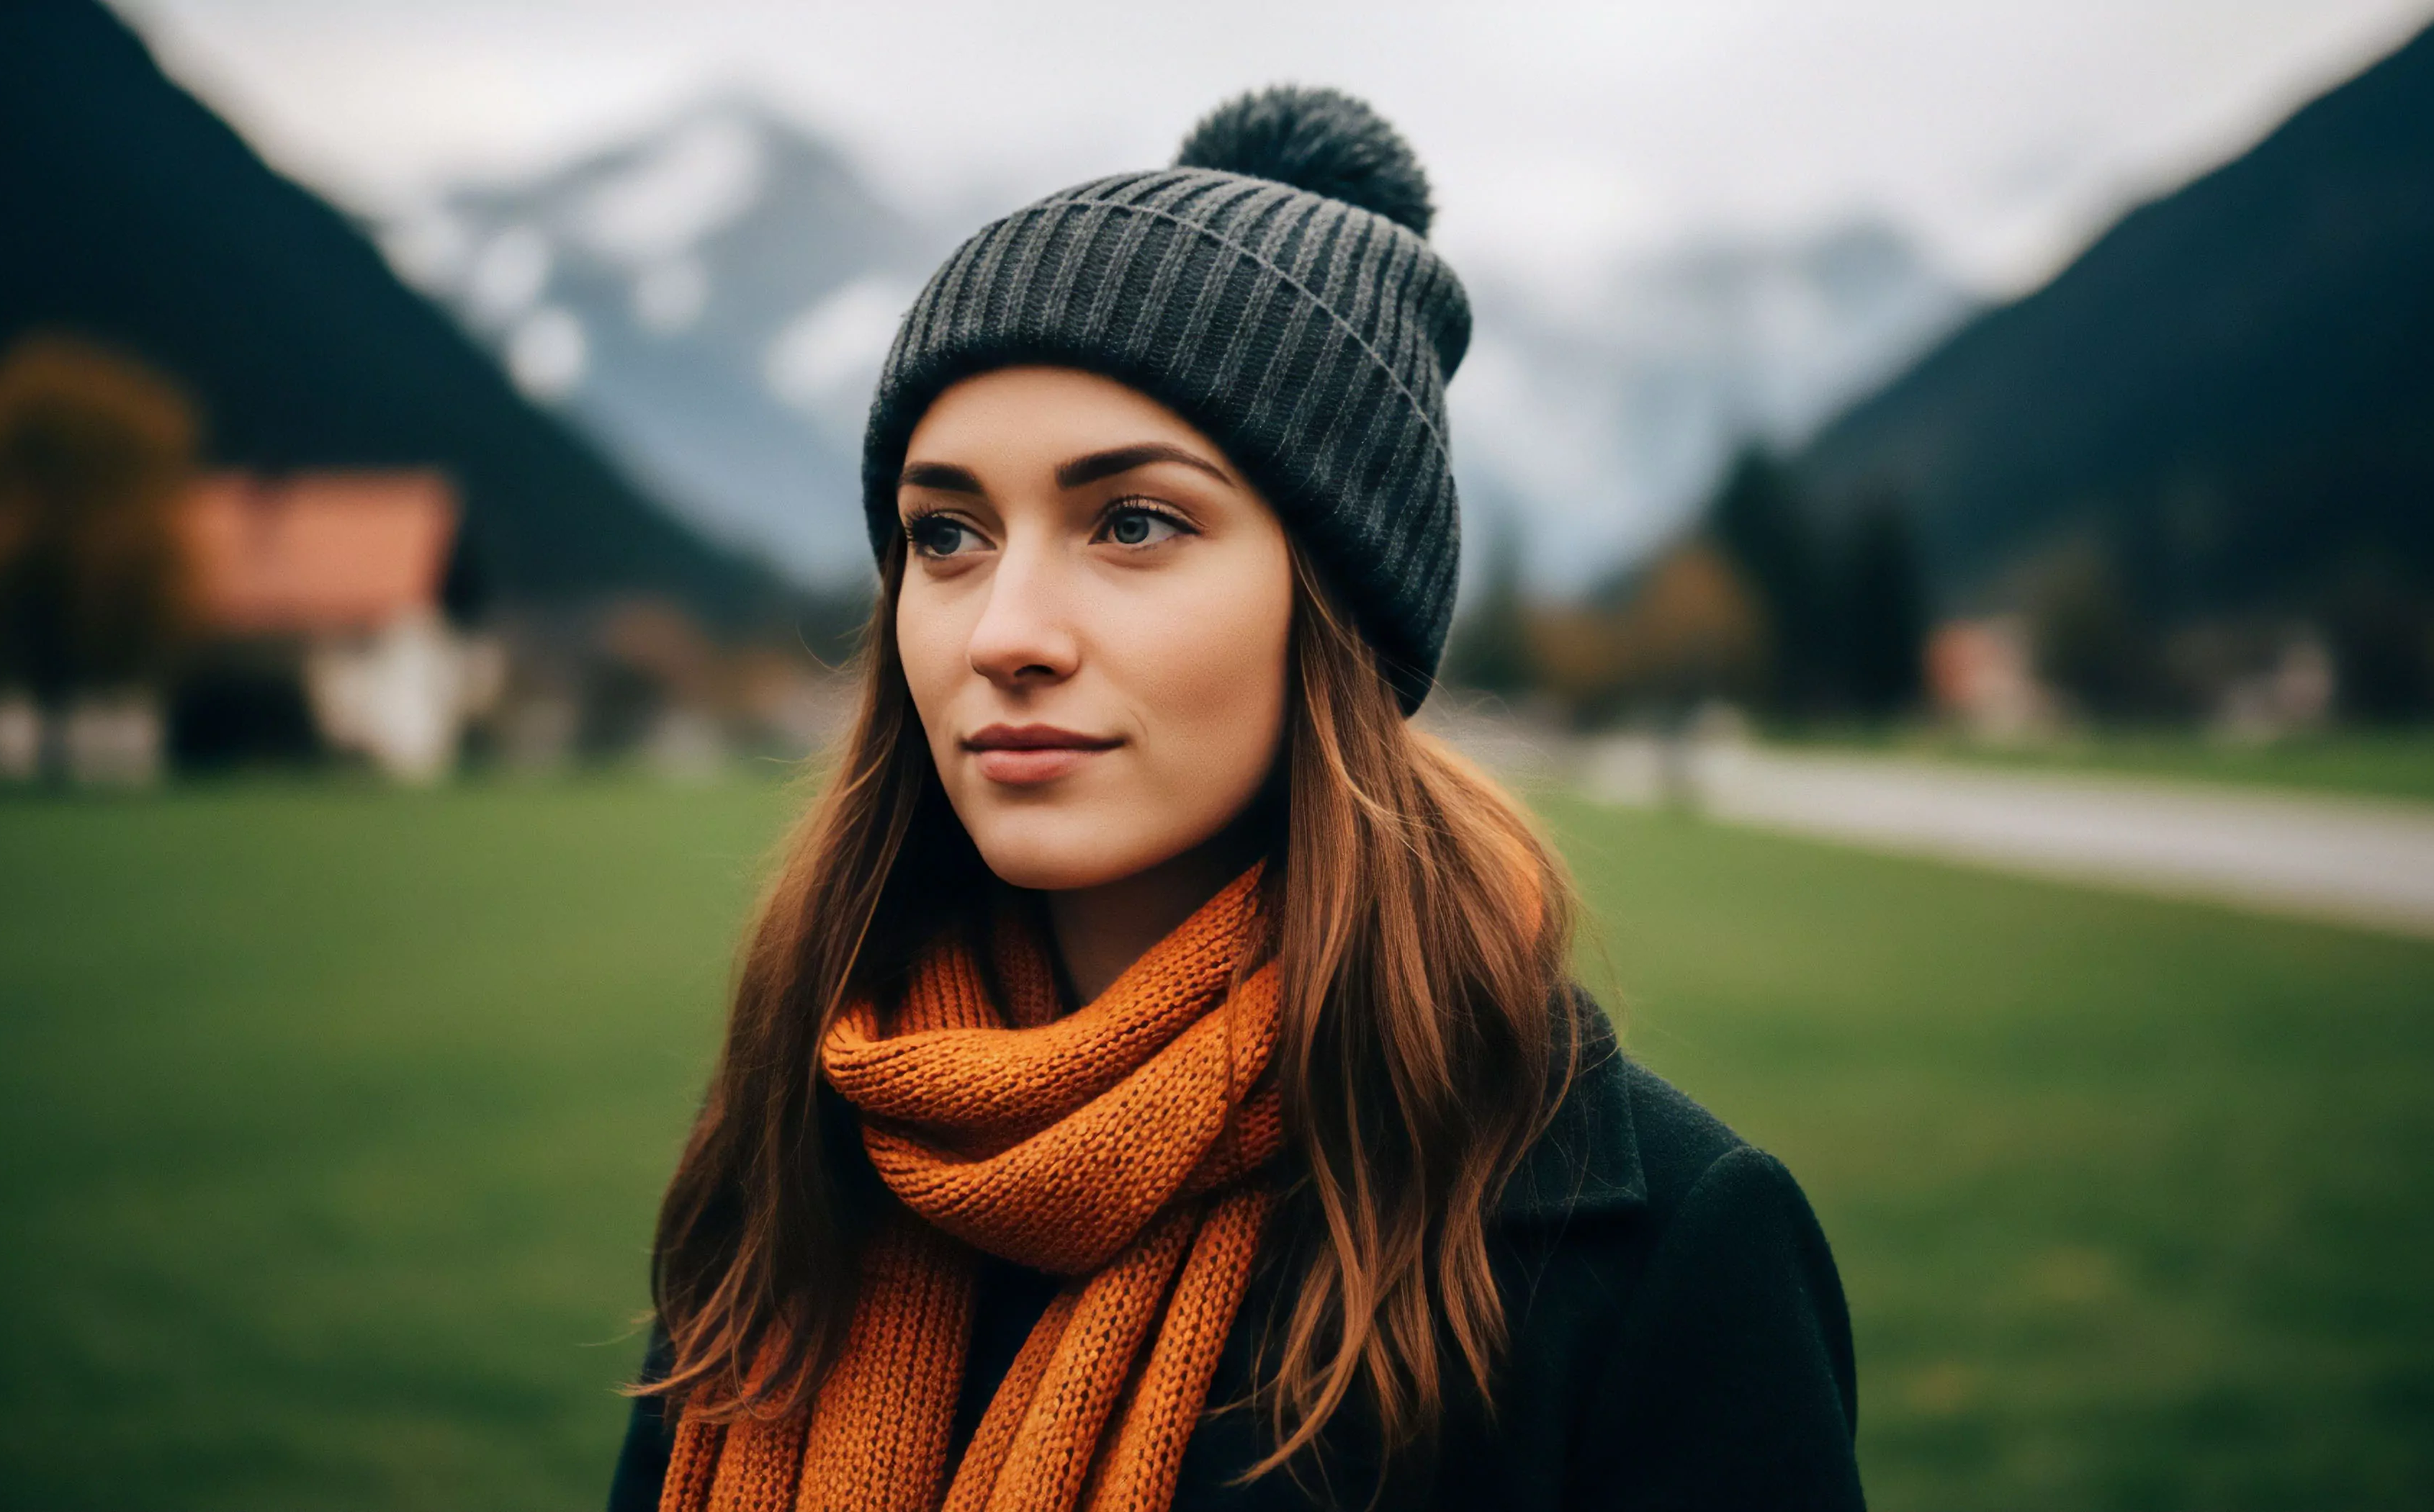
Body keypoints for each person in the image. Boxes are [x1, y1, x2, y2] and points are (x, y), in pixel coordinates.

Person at [608, 86, 1863, 1512]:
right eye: (944, 533)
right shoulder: (800, 1150)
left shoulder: (1648, 1264)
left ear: (1331, 605)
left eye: (1130, 522)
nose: (1002, 630)